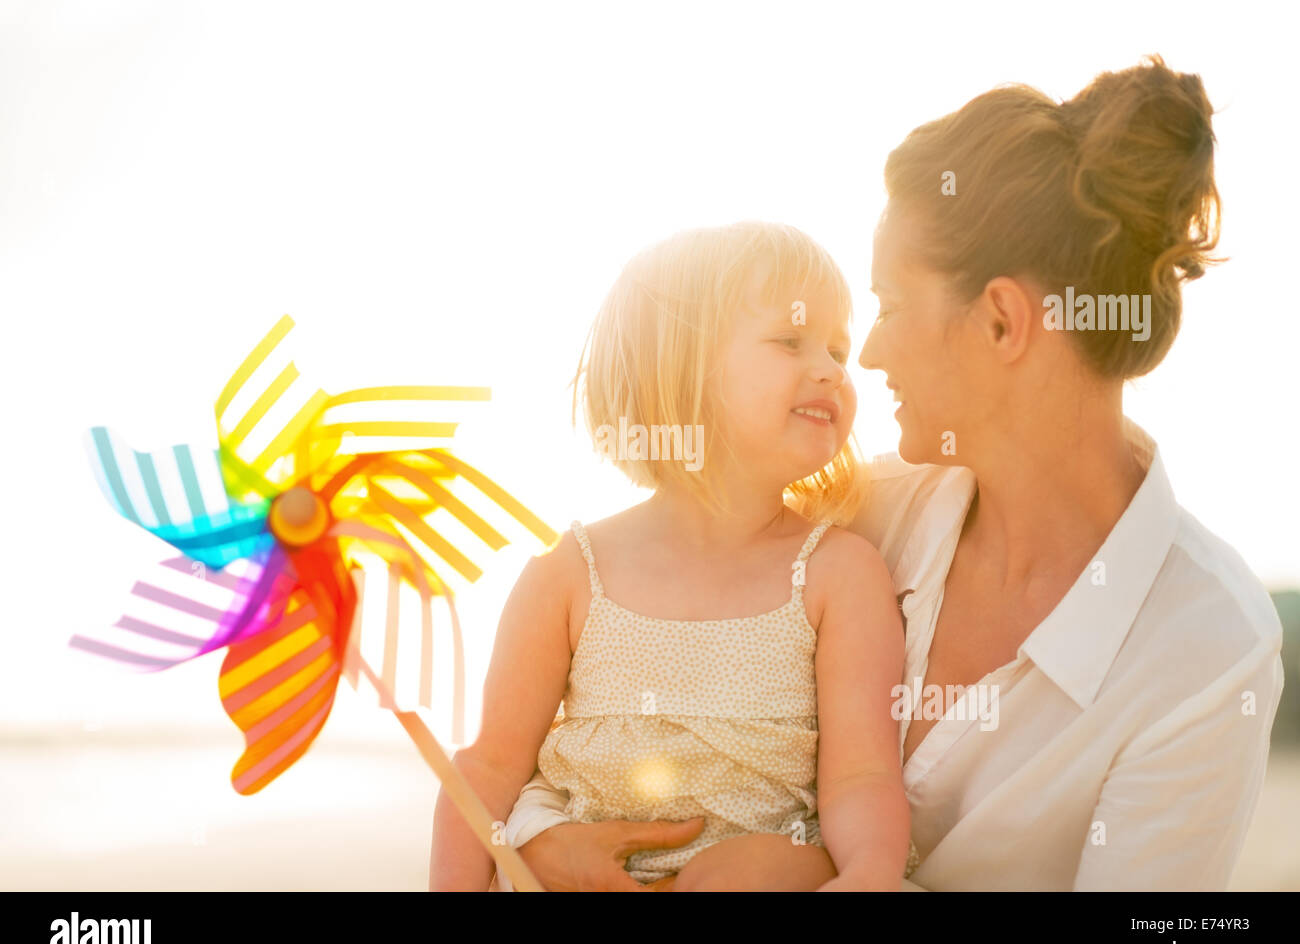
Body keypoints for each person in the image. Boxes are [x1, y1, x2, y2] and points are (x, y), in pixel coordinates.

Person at [498, 55, 1285, 891]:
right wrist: (543, 839)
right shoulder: (848, 512)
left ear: (1001, 321)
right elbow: (610, 717)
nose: (866, 355)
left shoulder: (1207, 651)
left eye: (890, 306)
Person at [428, 221, 913, 891]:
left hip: (764, 863)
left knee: (739, 877)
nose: (831, 369)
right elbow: (487, 769)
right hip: (588, 872)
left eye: (838, 348)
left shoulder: (838, 573)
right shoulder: (568, 572)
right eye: (790, 341)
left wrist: (870, 873)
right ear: (682, 370)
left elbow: (862, 775)